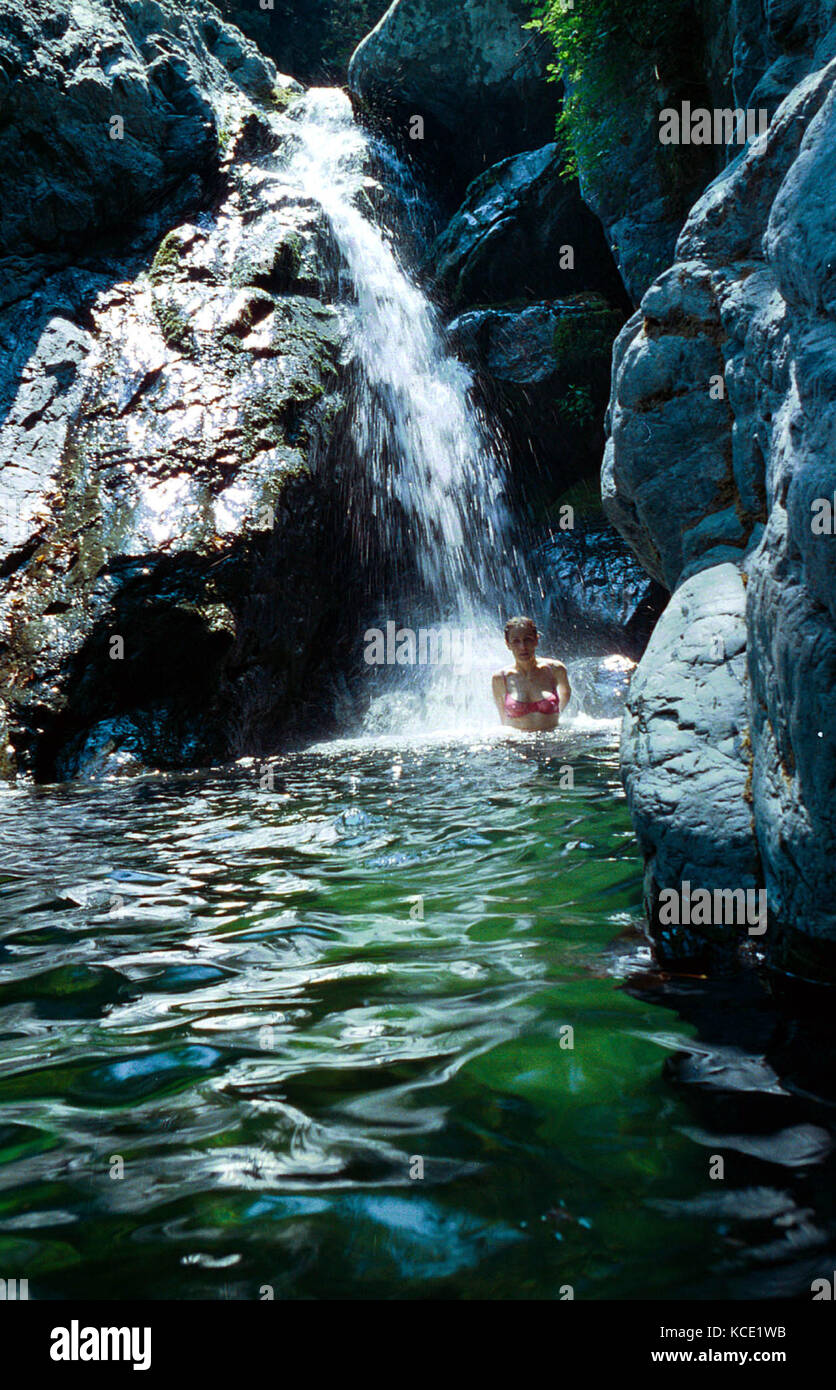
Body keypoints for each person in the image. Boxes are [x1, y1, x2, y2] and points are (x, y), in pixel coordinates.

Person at [492, 616, 570, 731]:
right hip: (517, 744)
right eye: (516, 641)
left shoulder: (555, 670)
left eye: (527, 639)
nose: (523, 647)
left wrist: (556, 716)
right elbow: (503, 718)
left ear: (536, 640)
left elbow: (566, 694)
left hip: (553, 743)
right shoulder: (500, 678)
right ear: (508, 644)